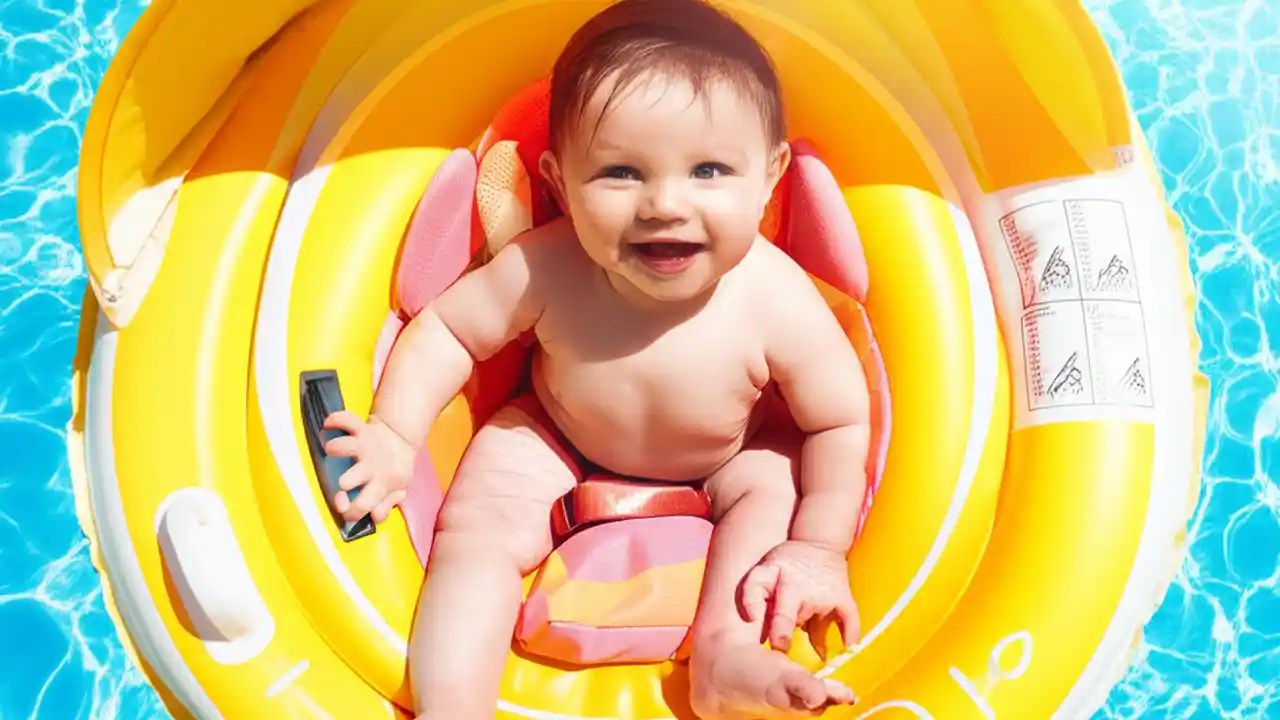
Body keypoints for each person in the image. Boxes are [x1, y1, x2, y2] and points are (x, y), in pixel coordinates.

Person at [321, 0, 871, 716]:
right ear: (559, 181)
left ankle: (726, 658)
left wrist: (818, 548)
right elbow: (450, 331)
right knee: (476, 529)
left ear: (769, 179)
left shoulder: (777, 300)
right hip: (555, 435)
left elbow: (838, 420)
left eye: (708, 171)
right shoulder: (545, 268)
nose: (664, 205)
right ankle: (453, 700)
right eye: (620, 173)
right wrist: (394, 438)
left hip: (723, 459)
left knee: (775, 478)